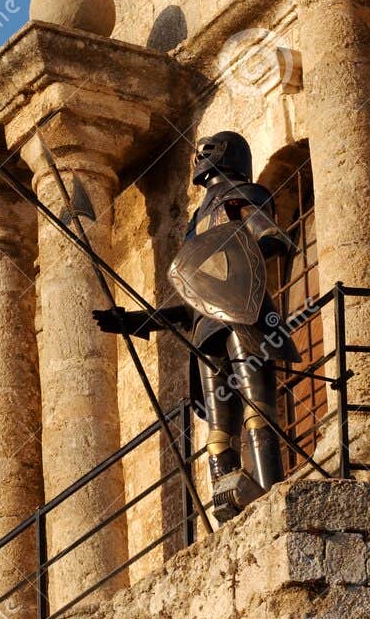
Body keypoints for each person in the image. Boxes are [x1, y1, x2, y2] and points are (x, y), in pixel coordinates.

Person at [94, 132, 298, 521]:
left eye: (207, 151)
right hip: (223, 325)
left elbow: (267, 239)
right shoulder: (210, 215)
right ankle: (249, 498)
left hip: (229, 322)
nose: (199, 158)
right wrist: (138, 320)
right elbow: (194, 296)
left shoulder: (230, 203)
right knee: (236, 416)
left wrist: (262, 236)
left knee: (240, 415)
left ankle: (251, 497)